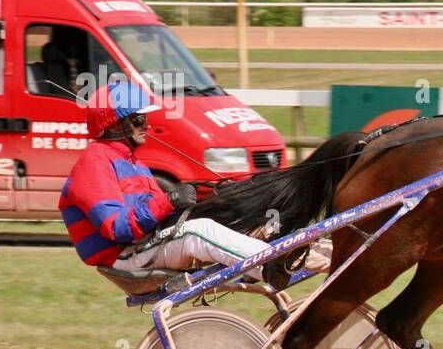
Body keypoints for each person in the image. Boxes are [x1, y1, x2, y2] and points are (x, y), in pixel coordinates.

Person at [59, 81, 298, 288]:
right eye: (139, 119)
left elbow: (155, 212)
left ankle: (306, 258)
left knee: (238, 219)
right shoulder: (95, 162)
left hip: (145, 244)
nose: (147, 125)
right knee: (199, 231)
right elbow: (116, 227)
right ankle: (270, 265)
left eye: (145, 118)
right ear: (114, 125)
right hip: (123, 256)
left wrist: (208, 198)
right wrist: (169, 200)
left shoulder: (131, 161)